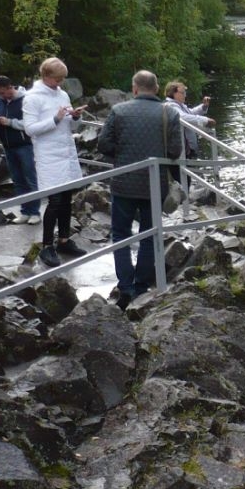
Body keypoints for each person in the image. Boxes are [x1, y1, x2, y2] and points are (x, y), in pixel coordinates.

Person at [96, 70, 183, 310]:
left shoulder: (119, 111)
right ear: (156, 89)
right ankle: (142, 285)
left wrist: (123, 156)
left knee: (120, 234)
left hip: (123, 182)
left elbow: (103, 144)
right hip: (155, 185)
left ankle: (125, 285)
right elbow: (175, 151)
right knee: (149, 233)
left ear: (134, 88)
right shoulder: (170, 113)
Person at [21, 58, 87, 267]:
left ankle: (64, 240)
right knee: (55, 201)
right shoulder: (31, 98)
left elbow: (71, 126)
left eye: (62, 79)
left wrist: (74, 117)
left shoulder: (63, 94)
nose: (60, 82)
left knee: (66, 198)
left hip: (65, 151)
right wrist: (56, 119)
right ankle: (47, 245)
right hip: (48, 155)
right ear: (46, 76)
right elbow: (30, 129)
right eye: (58, 78)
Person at [0, 76, 41, 223]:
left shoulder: (25, 100)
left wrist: (9, 122)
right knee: (18, 180)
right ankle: (25, 211)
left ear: (10, 87)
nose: (1, 96)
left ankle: (35, 213)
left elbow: (30, 124)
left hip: (25, 145)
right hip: (8, 146)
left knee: (30, 179)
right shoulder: (0, 102)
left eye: (2, 93)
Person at [162, 81, 215, 217]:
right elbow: (183, 117)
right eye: (182, 92)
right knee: (181, 181)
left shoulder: (179, 105)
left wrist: (203, 107)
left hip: (185, 150)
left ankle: (180, 209)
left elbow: (190, 112)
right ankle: (177, 211)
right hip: (179, 151)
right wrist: (204, 120)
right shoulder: (170, 106)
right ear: (173, 93)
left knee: (185, 179)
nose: (185, 95)